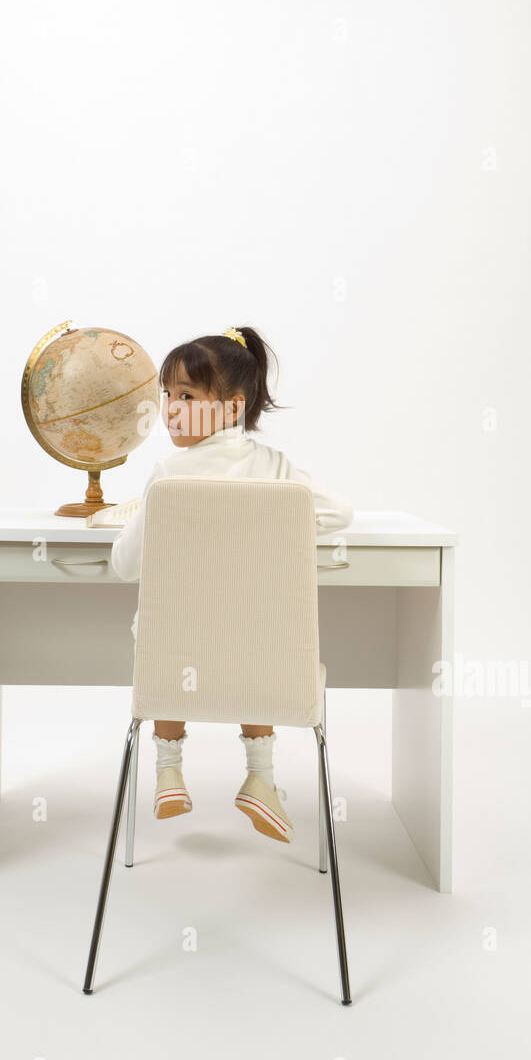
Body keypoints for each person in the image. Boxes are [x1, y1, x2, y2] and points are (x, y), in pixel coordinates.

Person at [110, 326, 353, 844]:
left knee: (174, 634)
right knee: (251, 633)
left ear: (230, 406)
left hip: (175, 658)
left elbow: (123, 565)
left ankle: (169, 770)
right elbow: (339, 513)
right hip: (261, 657)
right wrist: (278, 517)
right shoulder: (277, 469)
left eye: (187, 396)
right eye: (167, 395)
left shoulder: (169, 475)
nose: (170, 409)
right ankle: (261, 778)